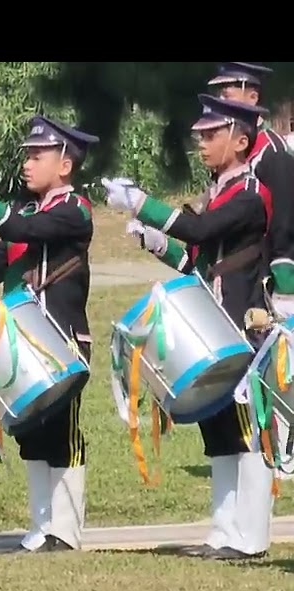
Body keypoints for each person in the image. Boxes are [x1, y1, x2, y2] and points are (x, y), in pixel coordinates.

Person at [108, 95, 275, 561]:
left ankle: (251, 537)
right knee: (217, 431)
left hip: (241, 326)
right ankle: (223, 532)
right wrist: (156, 243)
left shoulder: (250, 194)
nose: (201, 142)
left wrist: (142, 203)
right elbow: (198, 262)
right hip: (211, 324)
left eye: (212, 134)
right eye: (201, 134)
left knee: (246, 433)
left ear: (240, 141)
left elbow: (201, 233)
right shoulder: (217, 193)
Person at [0, 116, 98, 553]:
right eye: (27, 155)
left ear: (64, 165)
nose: (27, 164)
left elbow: (22, 231)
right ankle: (41, 525)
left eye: (37, 156)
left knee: (62, 433)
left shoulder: (74, 210)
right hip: (22, 340)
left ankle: (65, 529)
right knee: (30, 434)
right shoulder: (28, 211)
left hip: (61, 339)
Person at [207, 62, 294, 480]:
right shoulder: (236, 153)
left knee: (282, 364)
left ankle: (282, 449)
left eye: (227, 94)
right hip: (251, 272)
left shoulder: (272, 155)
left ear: (252, 97)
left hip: (278, 270)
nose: (220, 102)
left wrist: (284, 287)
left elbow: (285, 225)